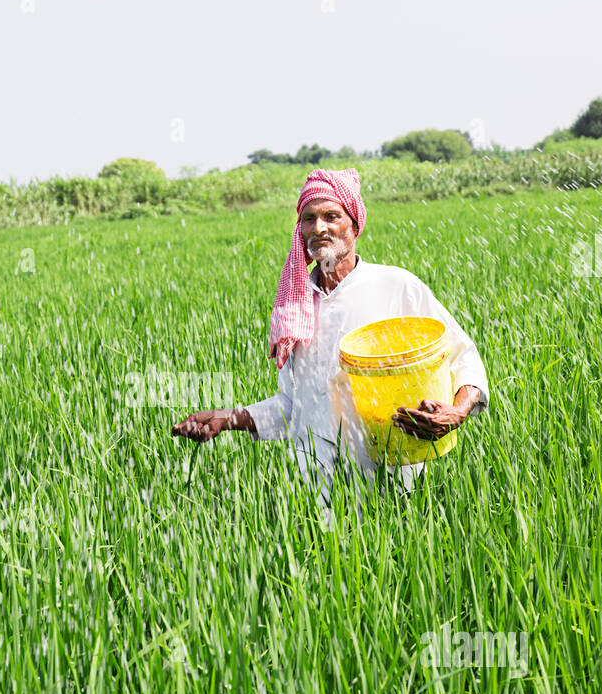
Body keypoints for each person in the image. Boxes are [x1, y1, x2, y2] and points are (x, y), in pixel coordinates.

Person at [171, 168, 489, 505]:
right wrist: (227, 418)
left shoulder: (395, 287)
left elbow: (462, 357)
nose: (319, 227)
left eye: (331, 216)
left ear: (354, 224)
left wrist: (456, 411)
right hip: (318, 487)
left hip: (393, 479)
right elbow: (294, 404)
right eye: (309, 218)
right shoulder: (294, 307)